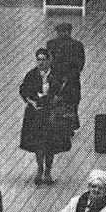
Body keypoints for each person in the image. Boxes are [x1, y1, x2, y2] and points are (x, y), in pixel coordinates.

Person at [19, 47, 72, 186]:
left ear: (49, 60)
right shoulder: (31, 75)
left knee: (51, 144)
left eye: (44, 59)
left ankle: (48, 170)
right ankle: (39, 169)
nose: (41, 62)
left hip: (51, 113)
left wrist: (56, 99)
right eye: (38, 59)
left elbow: (64, 92)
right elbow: (24, 90)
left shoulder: (58, 75)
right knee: (38, 143)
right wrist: (31, 101)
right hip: (36, 113)